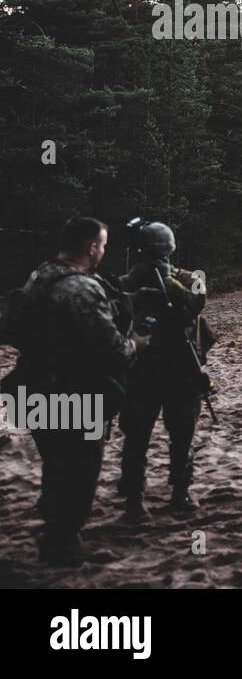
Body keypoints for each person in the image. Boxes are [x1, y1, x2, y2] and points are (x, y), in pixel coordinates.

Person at [7, 217, 143, 564]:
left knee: (56, 465)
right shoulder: (81, 288)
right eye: (103, 245)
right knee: (81, 470)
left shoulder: (39, 276)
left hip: (31, 388)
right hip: (73, 394)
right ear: (91, 247)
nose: (103, 251)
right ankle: (62, 545)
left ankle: (56, 536)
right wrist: (136, 344)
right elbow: (111, 347)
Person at [117, 219, 213, 519]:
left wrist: (165, 280)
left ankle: (179, 490)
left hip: (180, 368)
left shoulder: (188, 278)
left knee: (182, 432)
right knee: (137, 436)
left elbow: (194, 304)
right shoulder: (125, 284)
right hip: (142, 369)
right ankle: (134, 498)